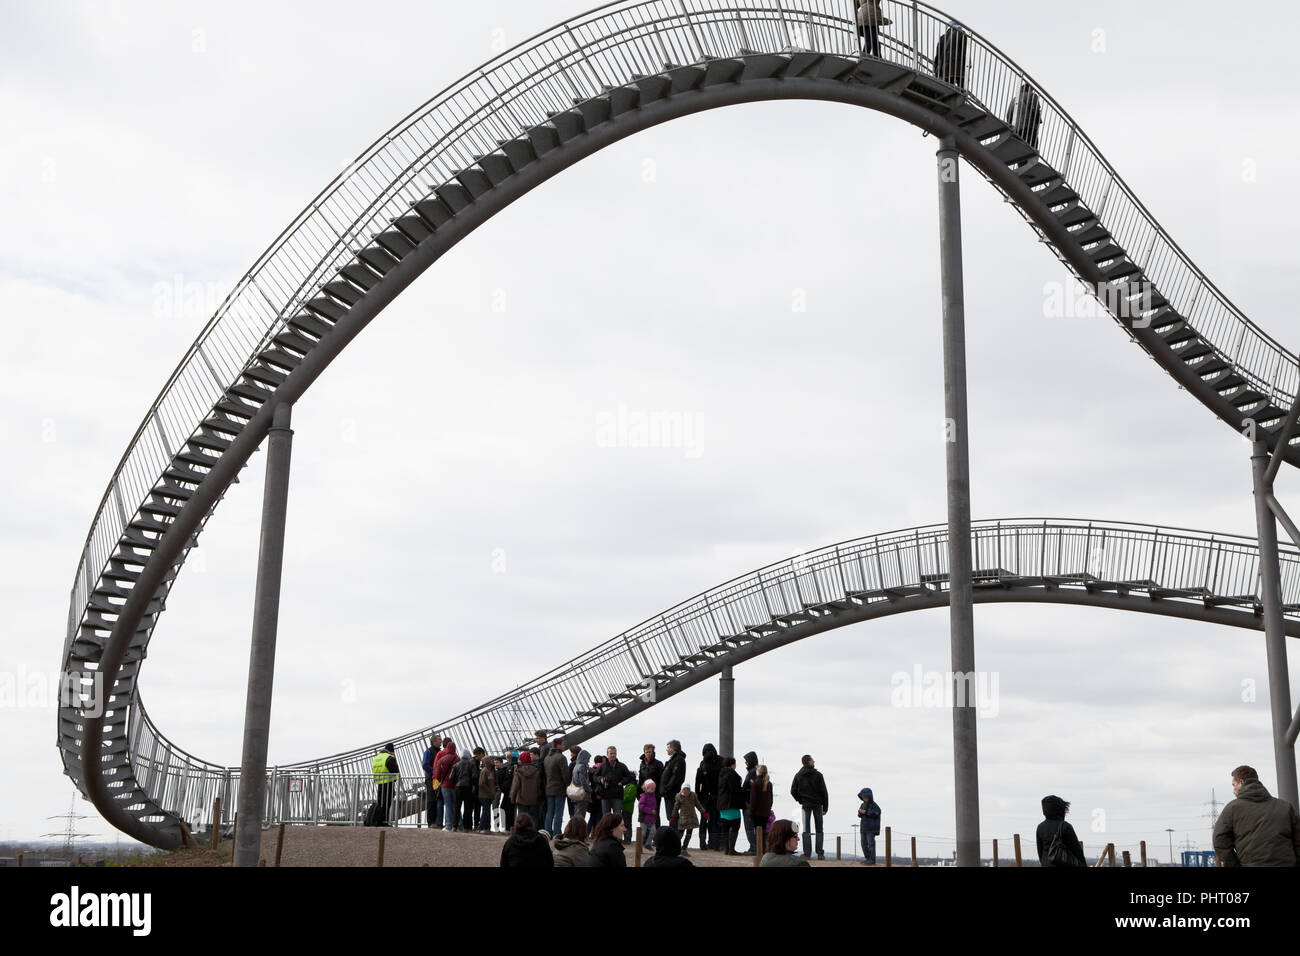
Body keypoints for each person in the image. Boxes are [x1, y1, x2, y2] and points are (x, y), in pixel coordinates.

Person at [1212, 765, 1300, 866]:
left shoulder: (1232, 808)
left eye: (1234, 785)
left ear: (1241, 782)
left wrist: (1234, 864)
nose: (1233, 791)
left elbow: (1219, 840)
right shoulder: (1286, 807)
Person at [791, 754, 829, 860]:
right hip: (817, 804)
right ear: (809, 762)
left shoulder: (798, 775)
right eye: (813, 760)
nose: (814, 762)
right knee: (819, 829)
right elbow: (824, 792)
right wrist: (825, 807)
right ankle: (820, 853)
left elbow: (792, 791)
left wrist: (800, 800)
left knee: (806, 830)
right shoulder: (818, 775)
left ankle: (807, 853)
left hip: (806, 804)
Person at [1036, 795, 1087, 867]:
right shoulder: (1065, 826)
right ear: (1060, 809)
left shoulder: (1040, 827)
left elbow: (1040, 851)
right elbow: (1077, 851)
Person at [695, 743, 721, 850]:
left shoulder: (702, 766)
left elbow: (697, 784)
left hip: (705, 796)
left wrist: (698, 797)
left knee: (704, 820)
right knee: (714, 820)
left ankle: (703, 843)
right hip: (715, 796)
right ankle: (713, 843)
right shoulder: (720, 762)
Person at [543, 738, 571, 835]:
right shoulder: (561, 757)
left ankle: (547, 832)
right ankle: (557, 833)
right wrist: (568, 785)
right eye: (563, 744)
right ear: (558, 745)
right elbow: (565, 774)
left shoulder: (547, 758)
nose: (564, 746)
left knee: (549, 811)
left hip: (549, 788)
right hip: (559, 788)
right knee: (558, 812)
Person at [717, 756, 744, 855]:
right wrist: (743, 790)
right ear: (733, 764)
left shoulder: (721, 773)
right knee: (735, 825)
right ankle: (732, 849)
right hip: (731, 804)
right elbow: (734, 789)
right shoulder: (732, 774)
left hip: (722, 804)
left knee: (725, 827)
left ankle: (726, 849)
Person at [598, 746, 633, 822]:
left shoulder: (622, 766)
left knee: (617, 818)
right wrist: (600, 779)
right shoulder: (602, 766)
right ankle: (606, 834)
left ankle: (617, 833)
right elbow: (595, 776)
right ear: (607, 754)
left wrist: (622, 782)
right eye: (611, 753)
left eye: (614, 753)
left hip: (617, 795)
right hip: (605, 795)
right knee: (606, 819)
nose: (613, 755)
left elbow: (629, 777)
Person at [510, 750, 543, 827]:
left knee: (521, 818)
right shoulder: (536, 771)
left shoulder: (519, 772)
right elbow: (538, 786)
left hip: (521, 799)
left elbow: (515, 786)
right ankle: (533, 833)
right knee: (533, 818)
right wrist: (538, 795)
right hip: (533, 799)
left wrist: (512, 797)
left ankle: (522, 833)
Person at [1006, 82, 1042, 151]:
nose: (1032, 91)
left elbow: (1008, 114)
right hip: (1029, 128)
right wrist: (1038, 120)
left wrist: (1012, 126)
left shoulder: (1014, 99)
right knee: (1032, 150)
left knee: (1019, 151)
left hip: (1015, 129)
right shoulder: (1033, 96)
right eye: (1032, 89)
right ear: (1029, 88)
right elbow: (1035, 110)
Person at [432, 738, 459, 830]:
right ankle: (459, 825)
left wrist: (441, 780)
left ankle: (448, 825)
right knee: (456, 805)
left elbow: (437, 773)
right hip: (455, 786)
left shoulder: (442, 758)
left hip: (445, 785)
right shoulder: (457, 759)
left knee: (448, 805)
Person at [660, 740, 686, 827]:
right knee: (670, 816)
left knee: (672, 816)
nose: (667, 750)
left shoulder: (678, 759)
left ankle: (675, 834)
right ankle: (674, 833)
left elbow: (676, 777)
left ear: (673, 748)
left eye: (668, 747)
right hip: (668, 793)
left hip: (671, 793)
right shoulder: (673, 760)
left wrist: (667, 788)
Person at [932, 20, 966, 87]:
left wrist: (935, 69)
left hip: (944, 68)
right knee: (962, 90)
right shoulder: (962, 34)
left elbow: (938, 54)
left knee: (946, 87)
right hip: (958, 67)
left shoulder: (943, 37)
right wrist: (968, 64)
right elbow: (965, 51)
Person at [372, 743, 399, 827]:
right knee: (387, 803)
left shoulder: (377, 758)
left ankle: (378, 820)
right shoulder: (389, 758)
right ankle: (384, 821)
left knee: (380, 803)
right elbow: (395, 771)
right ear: (391, 751)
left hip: (380, 783)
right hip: (388, 783)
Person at [749, 764, 773, 853]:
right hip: (766, 813)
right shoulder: (769, 784)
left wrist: (751, 813)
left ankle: (760, 852)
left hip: (757, 813)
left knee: (758, 834)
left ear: (758, 772)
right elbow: (771, 800)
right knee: (764, 833)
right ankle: (764, 851)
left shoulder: (755, 783)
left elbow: (753, 800)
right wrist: (768, 809)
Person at [451, 747, 478, 831]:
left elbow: (451, 777)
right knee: (468, 808)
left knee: (457, 807)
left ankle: (454, 826)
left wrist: (456, 783)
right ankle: (467, 827)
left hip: (458, 788)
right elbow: (474, 776)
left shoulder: (456, 765)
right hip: (468, 788)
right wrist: (473, 784)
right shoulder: (471, 764)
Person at [672, 783, 703, 856]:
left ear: (689, 790)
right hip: (683, 819)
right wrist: (673, 817)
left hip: (692, 818)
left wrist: (703, 812)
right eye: (684, 790)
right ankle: (675, 848)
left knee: (689, 834)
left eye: (687, 790)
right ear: (682, 790)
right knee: (680, 834)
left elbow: (698, 804)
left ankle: (684, 848)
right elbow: (676, 808)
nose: (685, 792)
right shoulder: (679, 797)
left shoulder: (693, 795)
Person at [421, 733, 443, 828]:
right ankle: (431, 822)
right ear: (433, 741)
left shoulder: (440, 752)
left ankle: (438, 822)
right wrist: (435, 772)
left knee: (438, 800)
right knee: (431, 800)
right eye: (439, 739)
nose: (441, 741)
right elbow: (425, 765)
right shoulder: (428, 752)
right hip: (431, 779)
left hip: (439, 779)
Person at [741, 751, 760, 853]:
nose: (745, 763)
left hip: (749, 805)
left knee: (749, 827)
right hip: (753, 805)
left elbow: (746, 789)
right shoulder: (755, 772)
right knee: (755, 828)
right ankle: (755, 847)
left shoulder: (752, 773)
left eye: (747, 761)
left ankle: (753, 848)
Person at [857, 787, 882, 864]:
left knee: (871, 844)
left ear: (869, 796)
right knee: (863, 844)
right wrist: (860, 812)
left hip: (871, 828)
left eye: (865, 797)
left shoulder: (874, 805)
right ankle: (867, 858)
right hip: (863, 828)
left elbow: (877, 812)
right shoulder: (862, 805)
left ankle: (872, 860)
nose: (864, 798)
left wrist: (866, 812)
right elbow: (859, 814)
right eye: (863, 797)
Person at [569, 748, 592, 826]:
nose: (588, 760)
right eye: (588, 758)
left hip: (576, 794)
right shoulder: (582, 767)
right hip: (582, 795)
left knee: (576, 814)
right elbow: (583, 782)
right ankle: (578, 834)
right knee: (581, 816)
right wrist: (589, 790)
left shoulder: (576, 766)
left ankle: (574, 831)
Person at [477, 750, 499, 832]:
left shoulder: (490, 771)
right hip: (484, 795)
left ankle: (486, 827)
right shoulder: (485, 771)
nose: (492, 761)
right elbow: (481, 783)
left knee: (487, 811)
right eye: (491, 760)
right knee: (486, 811)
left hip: (489, 795)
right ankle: (481, 827)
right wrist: (489, 791)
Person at [496, 752, 516, 832]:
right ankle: (509, 827)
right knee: (508, 809)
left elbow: (508, 780)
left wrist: (503, 788)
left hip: (509, 791)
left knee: (506, 809)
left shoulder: (509, 768)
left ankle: (508, 827)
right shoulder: (511, 767)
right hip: (510, 791)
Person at [638, 779, 660, 847]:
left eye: (654, 788)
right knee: (643, 833)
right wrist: (650, 811)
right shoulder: (643, 796)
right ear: (646, 788)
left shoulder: (654, 797)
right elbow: (640, 806)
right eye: (651, 788)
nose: (653, 790)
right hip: (644, 818)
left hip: (652, 819)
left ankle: (648, 844)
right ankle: (639, 846)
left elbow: (655, 807)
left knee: (653, 831)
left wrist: (654, 814)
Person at [589, 754, 607, 832]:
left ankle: (587, 832)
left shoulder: (591, 770)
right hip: (600, 794)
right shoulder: (603, 769)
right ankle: (598, 833)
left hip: (592, 794)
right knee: (600, 814)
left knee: (592, 816)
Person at [621, 777, 638, 844]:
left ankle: (627, 839)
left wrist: (621, 799)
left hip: (628, 808)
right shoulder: (628, 786)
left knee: (627, 824)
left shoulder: (632, 787)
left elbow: (628, 797)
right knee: (625, 823)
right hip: (625, 807)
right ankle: (626, 838)